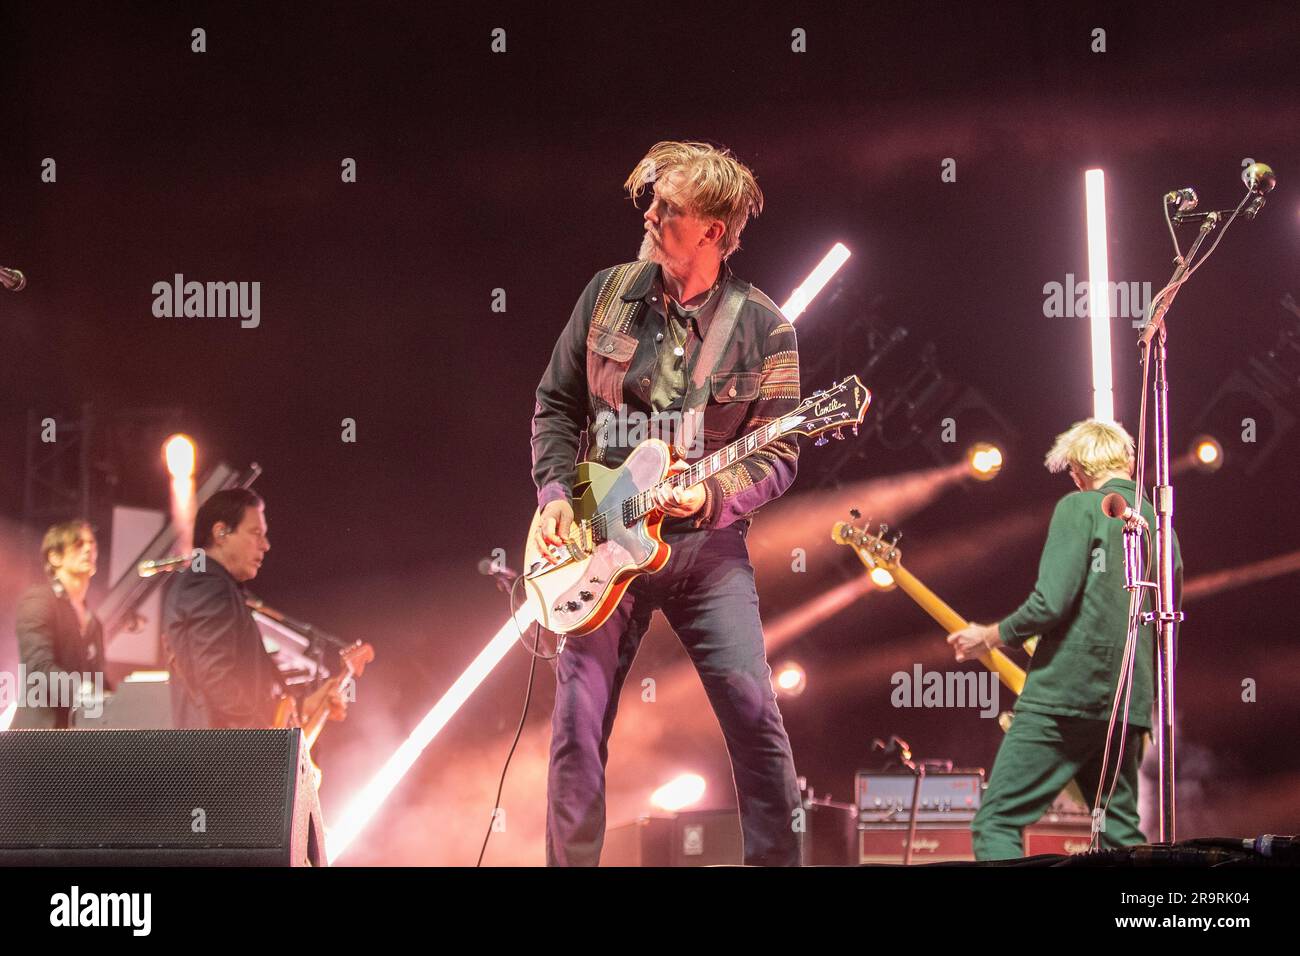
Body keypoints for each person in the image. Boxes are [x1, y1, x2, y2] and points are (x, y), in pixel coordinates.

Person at [531, 141, 803, 866]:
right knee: (575, 726)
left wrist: (711, 493)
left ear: (713, 229)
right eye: (651, 200)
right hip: (597, 535)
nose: (649, 213)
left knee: (755, 714)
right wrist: (556, 493)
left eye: (669, 206)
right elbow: (555, 405)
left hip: (703, 548)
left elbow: (779, 454)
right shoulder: (605, 293)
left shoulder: (767, 329)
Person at [947, 419, 1182, 860]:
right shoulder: (1160, 523)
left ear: (1077, 469)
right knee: (1119, 832)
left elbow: (1051, 602)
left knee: (996, 821)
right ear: (1128, 460)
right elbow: (1167, 620)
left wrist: (991, 636)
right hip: (1129, 700)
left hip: (1066, 695)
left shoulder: (1080, 508)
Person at [162, 489, 345, 729]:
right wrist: (267, 739)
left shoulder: (215, 585)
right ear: (221, 533)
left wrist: (303, 708)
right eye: (255, 533)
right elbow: (217, 679)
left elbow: (237, 690)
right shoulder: (206, 584)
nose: (265, 545)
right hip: (224, 758)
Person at [10, 520, 111, 728]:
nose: (88, 549)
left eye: (91, 543)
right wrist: (84, 692)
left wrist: (122, 698)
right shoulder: (38, 600)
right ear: (55, 557)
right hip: (38, 739)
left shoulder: (94, 622)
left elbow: (97, 678)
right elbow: (39, 666)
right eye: (78, 544)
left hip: (75, 738)